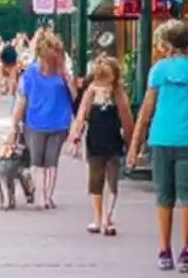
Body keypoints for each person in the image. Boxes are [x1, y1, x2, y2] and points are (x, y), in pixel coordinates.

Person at [127, 20, 188, 273]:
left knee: (163, 196)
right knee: (186, 197)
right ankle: (186, 247)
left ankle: (164, 249)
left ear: (167, 45)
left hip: (161, 137)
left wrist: (134, 145)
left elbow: (147, 109)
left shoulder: (158, 71)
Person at [68, 56, 133, 236]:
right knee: (98, 179)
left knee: (109, 179)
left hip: (109, 140)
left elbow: (126, 117)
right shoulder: (93, 91)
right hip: (99, 140)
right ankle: (101, 218)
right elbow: (82, 114)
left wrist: (131, 142)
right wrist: (76, 136)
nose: (103, 83)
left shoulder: (116, 92)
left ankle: (105, 218)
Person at [11, 29, 75, 210]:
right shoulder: (30, 73)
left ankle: (48, 195)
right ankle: (40, 196)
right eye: (48, 59)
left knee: (52, 161)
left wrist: (67, 79)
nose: (51, 64)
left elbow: (74, 96)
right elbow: (23, 99)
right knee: (37, 162)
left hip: (59, 122)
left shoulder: (62, 73)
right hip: (35, 123)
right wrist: (15, 124)